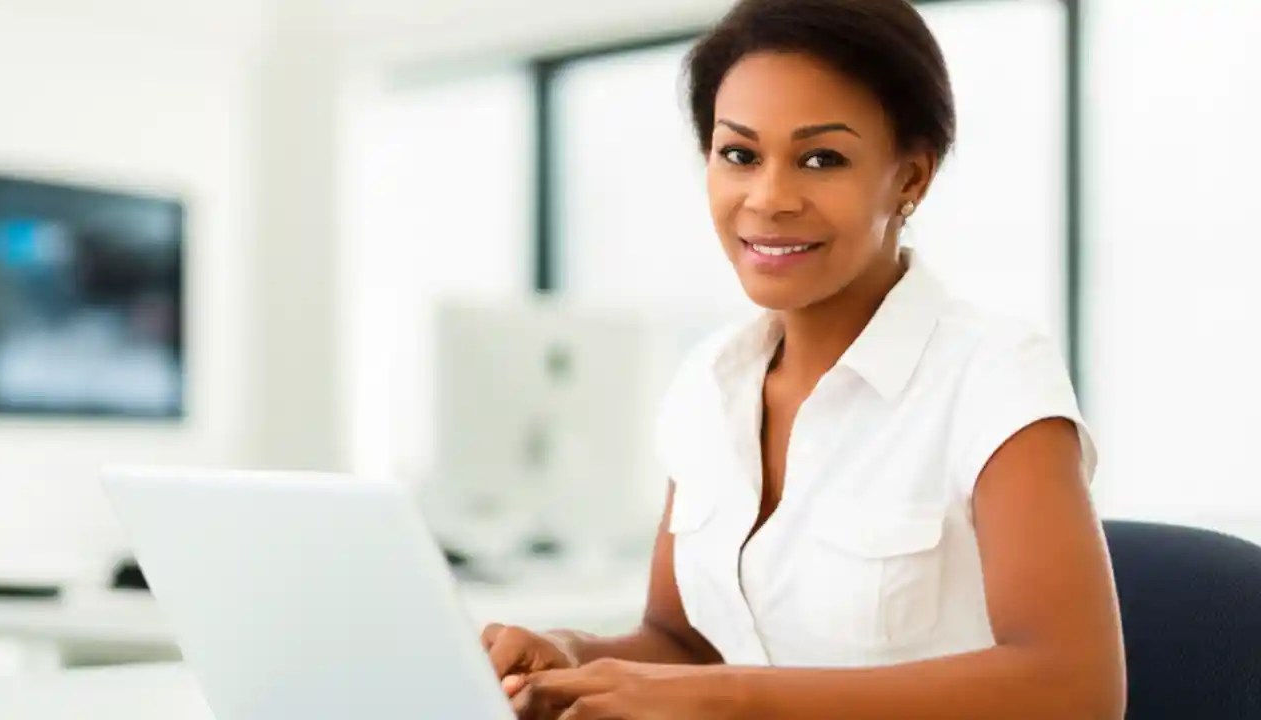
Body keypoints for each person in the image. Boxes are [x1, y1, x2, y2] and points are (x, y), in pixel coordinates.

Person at [482, 0, 1126, 717]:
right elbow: (684, 645)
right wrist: (572, 656)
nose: (769, 198)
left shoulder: (992, 376)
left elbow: (1076, 689)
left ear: (910, 178)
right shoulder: (708, 383)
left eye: (822, 158)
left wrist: (732, 700)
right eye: (740, 155)